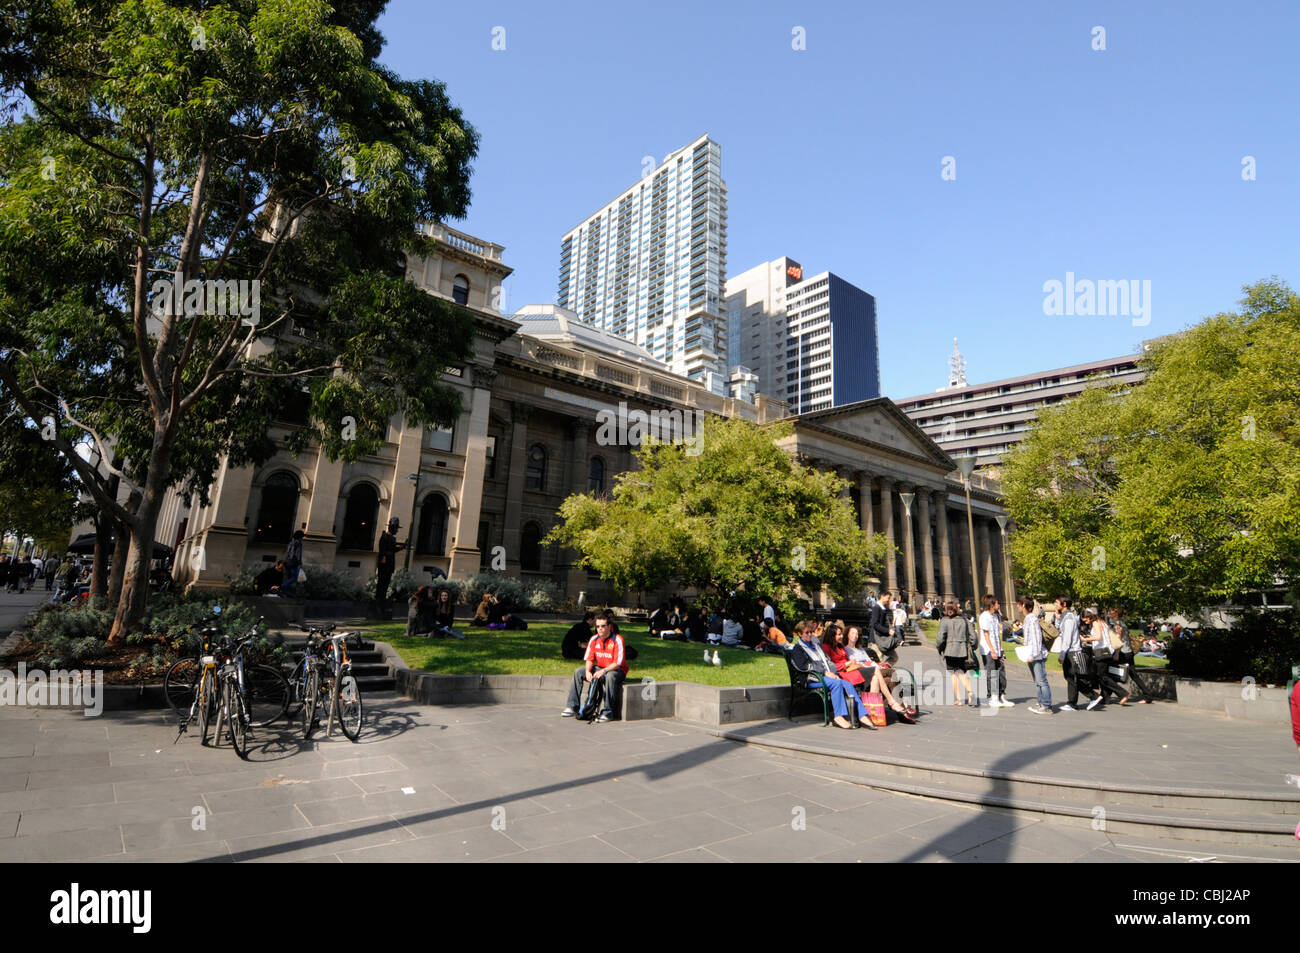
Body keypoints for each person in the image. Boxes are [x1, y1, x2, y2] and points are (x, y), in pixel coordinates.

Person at [788, 621, 871, 729]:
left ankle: (862, 715)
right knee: (836, 684)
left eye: (811, 632)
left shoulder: (816, 645)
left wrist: (834, 673)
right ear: (799, 634)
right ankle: (838, 716)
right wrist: (824, 672)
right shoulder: (798, 649)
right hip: (811, 679)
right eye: (806, 632)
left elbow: (828, 661)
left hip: (826, 677)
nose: (809, 635)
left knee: (847, 684)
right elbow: (804, 666)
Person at [562, 612, 627, 723]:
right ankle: (572, 706)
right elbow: (589, 659)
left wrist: (604, 671)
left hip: (616, 671)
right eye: (597, 626)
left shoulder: (618, 639)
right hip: (600, 668)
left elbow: (618, 663)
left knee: (610, 677)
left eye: (603, 626)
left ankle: (608, 713)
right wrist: (587, 671)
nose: (600, 629)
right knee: (578, 672)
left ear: (609, 627)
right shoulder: (593, 639)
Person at [843, 624, 914, 722]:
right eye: (852, 633)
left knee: (889, 680)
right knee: (892, 672)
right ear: (847, 635)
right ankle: (902, 704)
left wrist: (878, 665)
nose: (855, 636)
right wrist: (870, 665)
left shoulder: (861, 649)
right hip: (864, 674)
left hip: (874, 671)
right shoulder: (846, 650)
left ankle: (902, 713)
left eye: (857, 634)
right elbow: (853, 666)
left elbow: (870, 662)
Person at [1056, 597, 1101, 711]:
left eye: (1056, 602)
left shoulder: (1069, 618)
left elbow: (1067, 638)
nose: (1055, 604)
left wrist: (1062, 654)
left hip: (1072, 652)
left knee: (1073, 677)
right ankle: (1074, 702)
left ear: (1064, 604)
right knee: (1071, 677)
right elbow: (1059, 630)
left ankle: (1090, 697)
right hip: (1070, 651)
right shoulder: (1065, 617)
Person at [1083, 607, 1129, 708]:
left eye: (1086, 620)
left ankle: (1123, 693)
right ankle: (1105, 698)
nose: (1086, 622)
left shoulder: (1095, 623)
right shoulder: (1102, 622)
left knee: (1102, 676)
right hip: (1108, 651)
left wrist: (1085, 639)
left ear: (1090, 617)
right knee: (1103, 675)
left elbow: (1098, 637)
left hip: (1101, 652)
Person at [936, 600, 975, 706]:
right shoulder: (965, 620)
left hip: (950, 650)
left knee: (953, 674)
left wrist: (939, 648)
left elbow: (940, 638)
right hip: (962, 650)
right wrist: (972, 647)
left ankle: (959, 699)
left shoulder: (945, 620)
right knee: (961, 672)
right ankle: (970, 692)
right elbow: (974, 637)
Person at [1106, 606, 1148, 705]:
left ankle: (1108, 696)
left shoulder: (1117, 624)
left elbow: (1119, 639)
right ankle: (1147, 695)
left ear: (1115, 613)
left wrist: (1116, 653)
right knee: (1133, 675)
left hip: (1123, 652)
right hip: (1128, 651)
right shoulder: (1121, 623)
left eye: (1110, 611)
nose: (1108, 612)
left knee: (1110, 674)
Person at [978, 595, 1013, 707]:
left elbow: (997, 635)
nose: (998, 605)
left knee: (1001, 672)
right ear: (991, 604)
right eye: (997, 603)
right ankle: (992, 697)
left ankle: (1001, 695)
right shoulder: (984, 616)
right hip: (988, 650)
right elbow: (986, 634)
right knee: (992, 672)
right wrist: (992, 650)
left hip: (997, 649)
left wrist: (1001, 650)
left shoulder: (995, 617)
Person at [1020, 596, 1053, 714]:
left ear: (1024, 605)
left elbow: (1036, 638)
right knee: (1038, 681)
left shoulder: (1031, 619)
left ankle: (1046, 705)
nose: (1018, 607)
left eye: (1019, 604)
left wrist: (1033, 655)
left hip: (1036, 655)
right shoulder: (1029, 618)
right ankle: (1041, 703)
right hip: (1033, 654)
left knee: (1041, 680)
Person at [375, 517, 404, 619]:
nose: (397, 530)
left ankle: (382, 604)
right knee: (381, 584)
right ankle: (378, 605)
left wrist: (400, 547)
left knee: (385, 585)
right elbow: (382, 550)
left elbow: (392, 550)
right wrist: (384, 560)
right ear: (391, 527)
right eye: (396, 528)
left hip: (390, 564)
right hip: (385, 565)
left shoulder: (392, 538)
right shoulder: (384, 537)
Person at [868, 590, 898, 663]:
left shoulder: (883, 608)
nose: (889, 600)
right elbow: (874, 624)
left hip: (883, 640)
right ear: (882, 597)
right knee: (878, 662)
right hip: (876, 640)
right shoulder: (877, 608)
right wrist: (888, 631)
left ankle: (885, 671)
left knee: (894, 657)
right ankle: (882, 672)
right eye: (888, 598)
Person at [282, 529, 304, 596]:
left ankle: (286, 591)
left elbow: (288, 552)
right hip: (293, 562)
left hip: (287, 561)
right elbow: (298, 554)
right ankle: (283, 586)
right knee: (295, 577)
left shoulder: (291, 542)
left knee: (289, 577)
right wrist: (300, 562)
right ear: (300, 536)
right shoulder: (298, 543)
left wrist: (285, 560)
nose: (302, 538)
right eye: (302, 536)